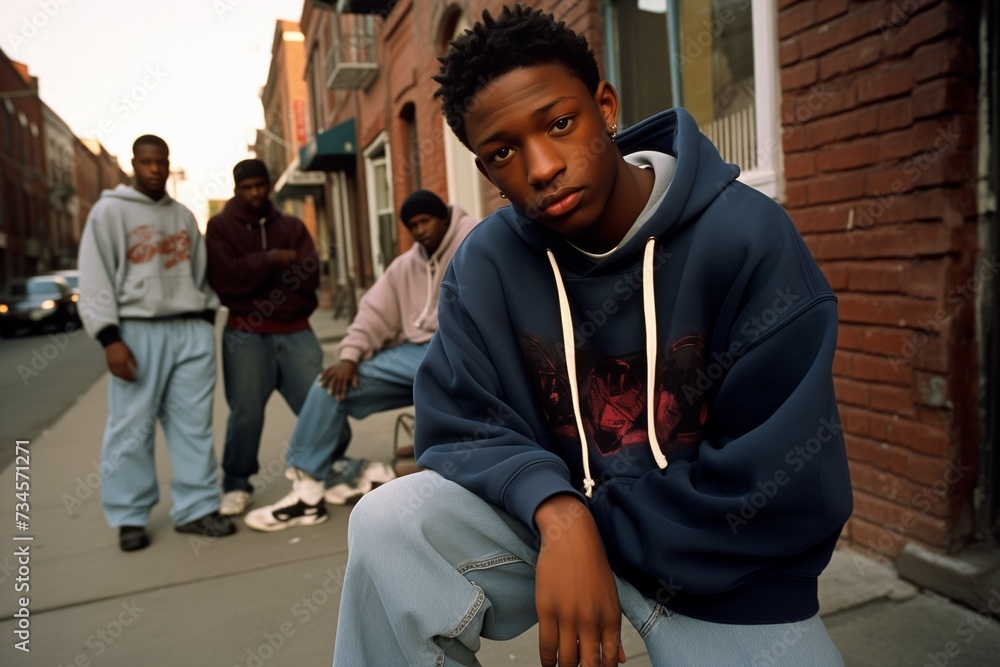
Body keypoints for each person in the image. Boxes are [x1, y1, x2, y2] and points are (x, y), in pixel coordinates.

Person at [331, 6, 853, 667]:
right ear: (485, 168)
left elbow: (783, 483)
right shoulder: (488, 263)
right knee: (389, 524)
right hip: (549, 532)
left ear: (604, 107)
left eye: (559, 123)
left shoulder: (746, 238)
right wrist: (557, 511)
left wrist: (591, 522)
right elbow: (457, 420)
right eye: (503, 152)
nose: (542, 166)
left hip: (721, 567)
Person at [243, 189, 479, 532]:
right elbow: (372, 312)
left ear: (444, 218)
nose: (420, 230)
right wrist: (349, 357)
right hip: (418, 355)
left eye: (426, 221)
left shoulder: (474, 242)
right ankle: (307, 492)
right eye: (412, 225)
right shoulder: (405, 266)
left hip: (466, 354)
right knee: (330, 385)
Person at [77, 134, 235, 552]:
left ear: (168, 163)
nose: (154, 169)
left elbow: (200, 274)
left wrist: (203, 321)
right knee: (131, 426)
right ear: (133, 163)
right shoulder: (108, 212)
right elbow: (94, 278)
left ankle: (197, 509)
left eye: (161, 162)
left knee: (193, 425)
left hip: (189, 331)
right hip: (136, 330)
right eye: (146, 162)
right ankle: (129, 516)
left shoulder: (182, 215)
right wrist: (109, 337)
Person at [205, 159, 324, 516]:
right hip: (245, 333)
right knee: (245, 413)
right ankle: (236, 484)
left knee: (319, 405)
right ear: (236, 188)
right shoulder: (220, 227)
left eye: (260, 185)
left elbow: (309, 276)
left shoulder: (291, 226)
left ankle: (324, 469)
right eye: (247, 187)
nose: (255, 192)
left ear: (269, 185)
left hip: (295, 329)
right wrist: (274, 260)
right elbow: (227, 281)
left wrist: (253, 276)